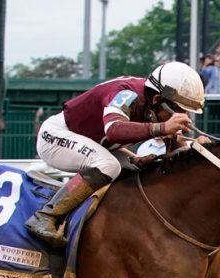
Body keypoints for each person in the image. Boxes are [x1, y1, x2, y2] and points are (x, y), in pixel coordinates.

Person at [26, 61, 205, 247]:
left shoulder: (158, 104)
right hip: (56, 136)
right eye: (178, 110)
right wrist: (162, 128)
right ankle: (45, 216)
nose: (183, 116)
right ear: (157, 99)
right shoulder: (126, 93)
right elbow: (113, 130)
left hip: (96, 144)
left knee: (140, 169)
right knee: (108, 166)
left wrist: (198, 151)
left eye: (186, 112)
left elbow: (176, 152)